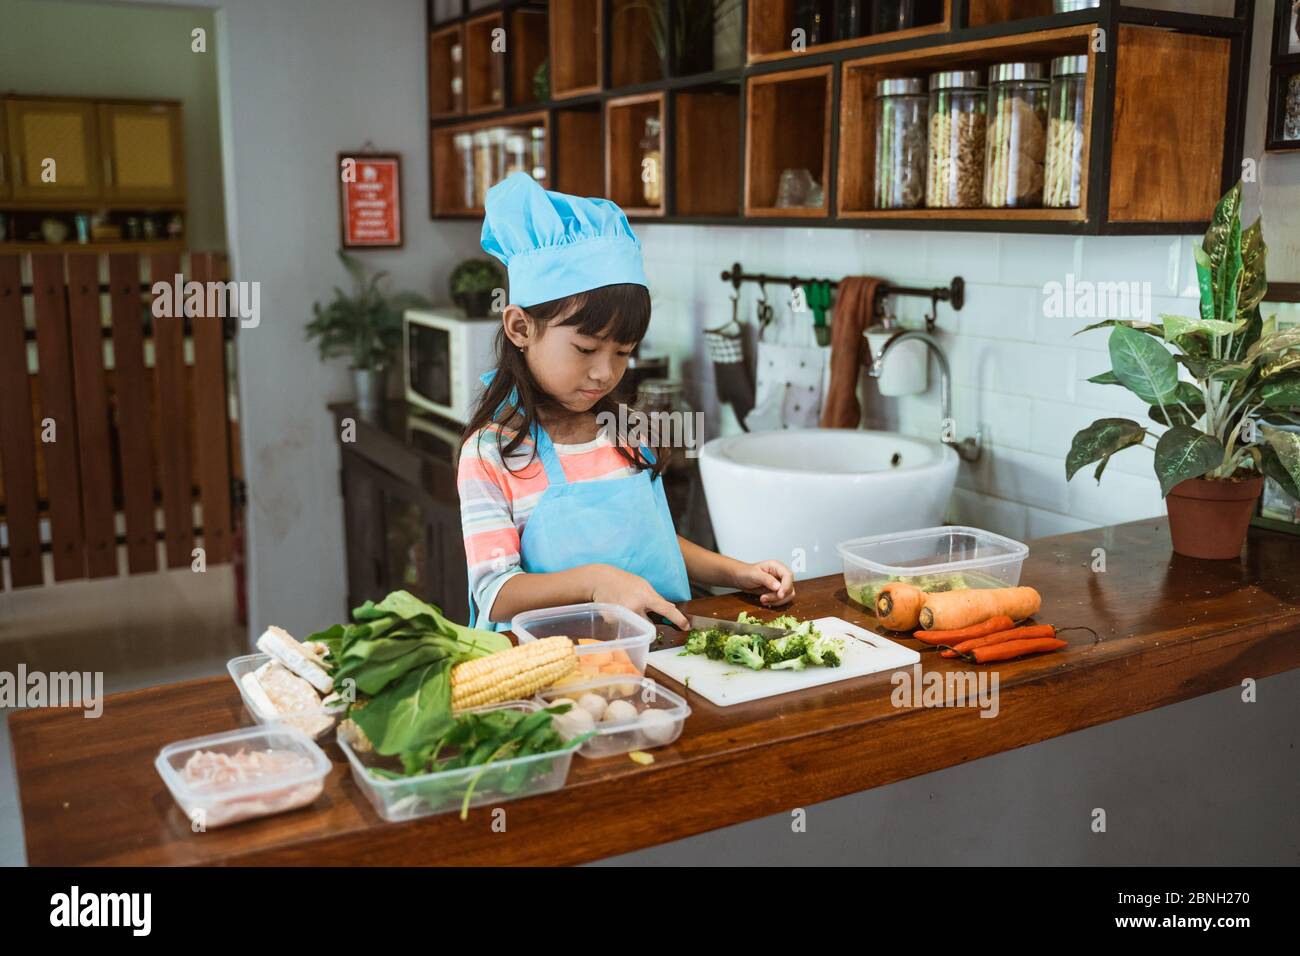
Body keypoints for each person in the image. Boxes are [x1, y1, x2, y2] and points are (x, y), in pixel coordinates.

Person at [457, 173, 795, 632]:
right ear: (520, 328)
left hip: (658, 655)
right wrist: (596, 582)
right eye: (585, 349)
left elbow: (655, 543)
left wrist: (735, 572)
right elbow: (496, 593)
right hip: (556, 674)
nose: (605, 372)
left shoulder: (625, 430)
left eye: (623, 352)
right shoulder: (493, 452)